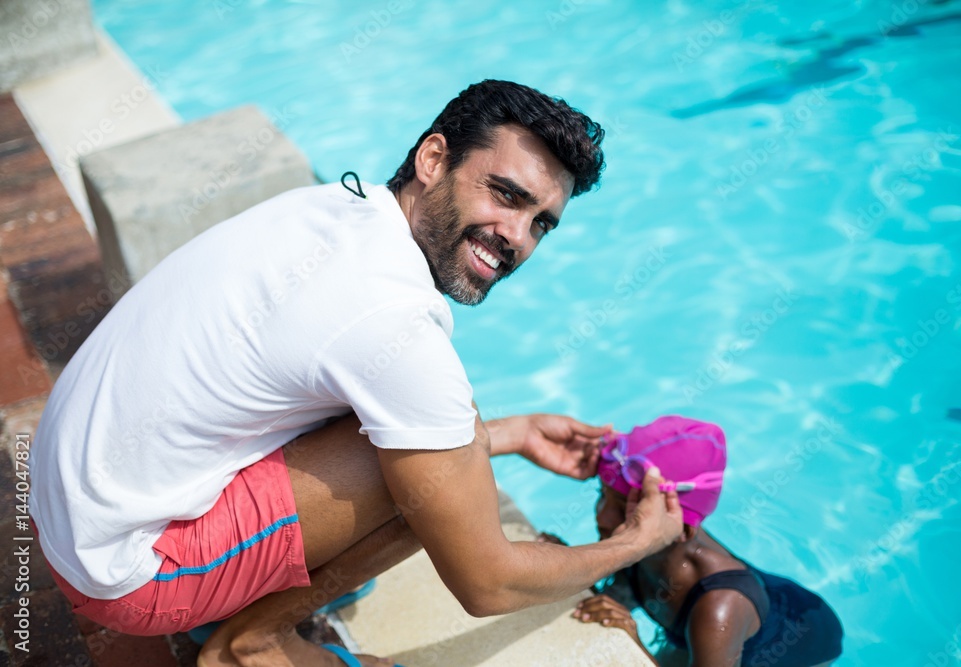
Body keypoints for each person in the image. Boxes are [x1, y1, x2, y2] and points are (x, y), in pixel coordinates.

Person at [28, 80, 685, 667]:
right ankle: (248, 643)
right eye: (505, 194)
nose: (517, 235)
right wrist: (634, 542)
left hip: (75, 504)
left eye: (540, 221)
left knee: (438, 430)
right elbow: (486, 581)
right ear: (434, 159)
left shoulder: (341, 210)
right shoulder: (394, 321)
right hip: (123, 571)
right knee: (434, 479)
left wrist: (509, 433)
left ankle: (250, 595)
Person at [559, 415, 844, 667]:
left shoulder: (720, 607)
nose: (603, 517)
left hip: (804, 638)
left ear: (683, 529)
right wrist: (566, 567)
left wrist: (633, 642)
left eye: (624, 509)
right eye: (601, 495)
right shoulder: (636, 545)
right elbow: (611, 602)